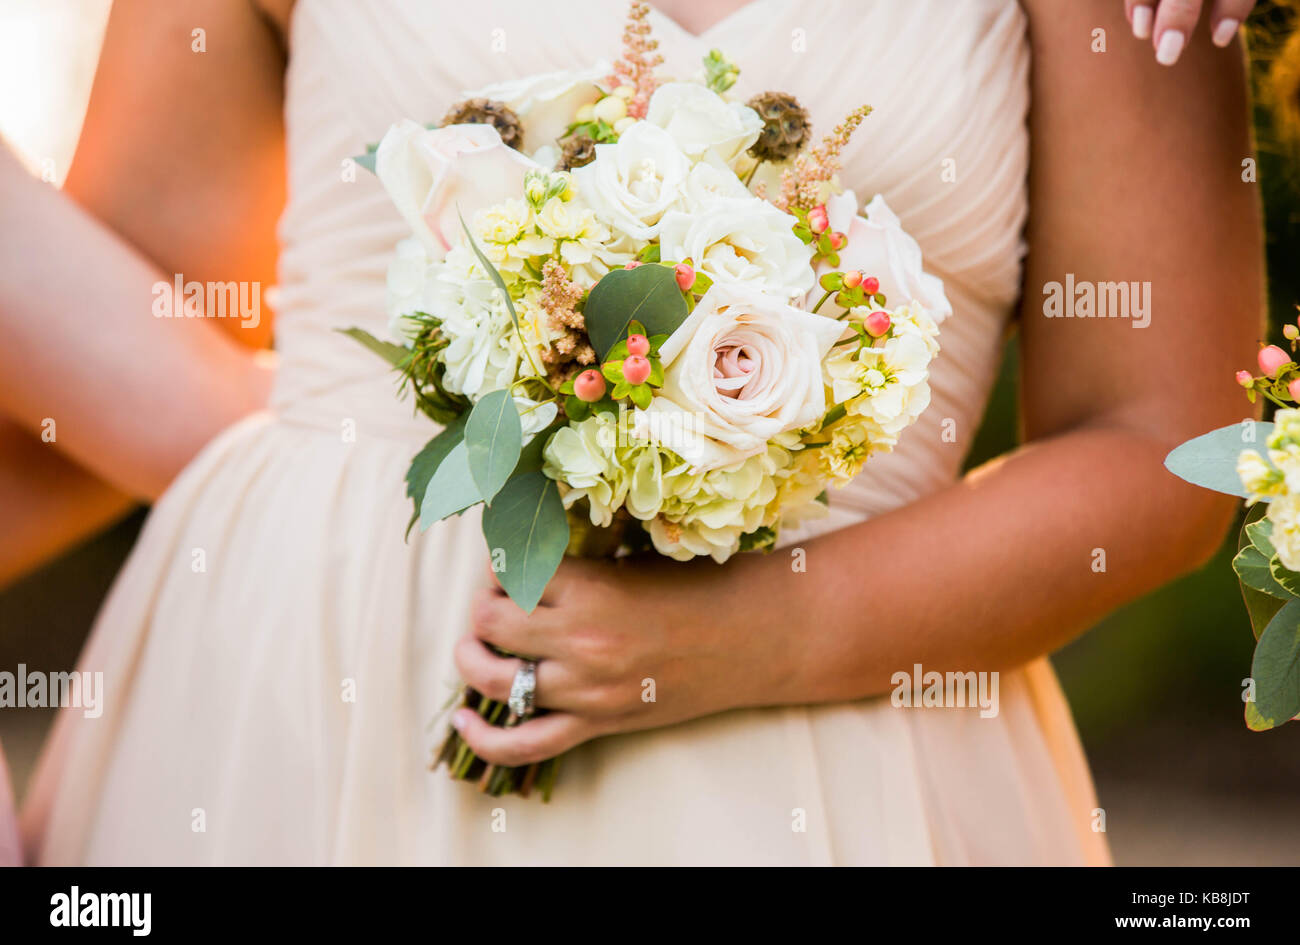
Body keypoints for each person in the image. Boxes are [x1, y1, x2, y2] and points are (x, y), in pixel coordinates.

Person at [10, 0, 1261, 864]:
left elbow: (1163, 441)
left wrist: (762, 635)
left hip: (841, 748)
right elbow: (127, 354)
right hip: (296, 722)